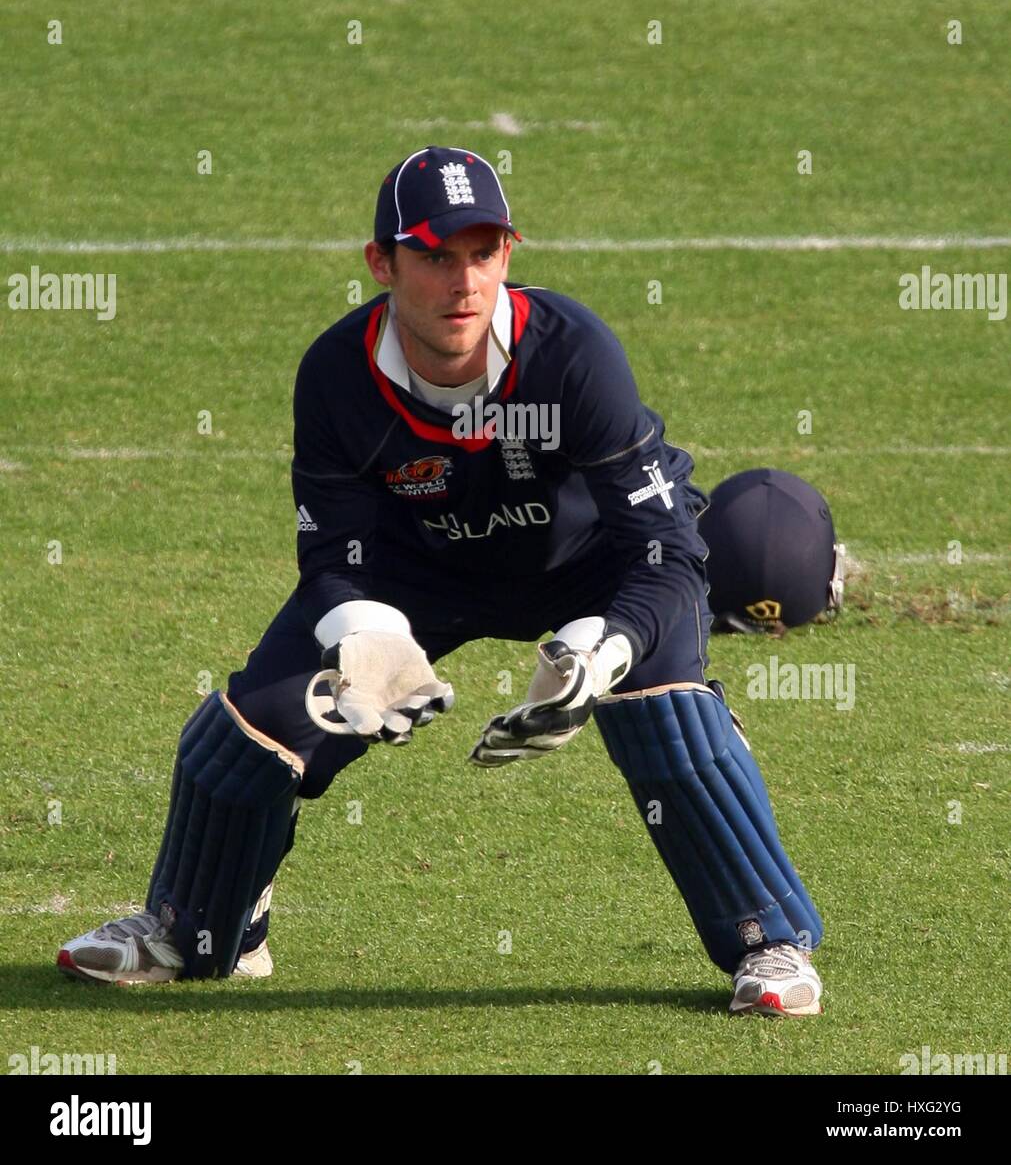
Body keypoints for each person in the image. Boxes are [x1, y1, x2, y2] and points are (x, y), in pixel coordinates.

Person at [58, 146, 824, 1016]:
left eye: (482, 252)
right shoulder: (337, 375)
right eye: (432, 256)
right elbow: (333, 561)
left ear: (508, 252)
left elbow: (667, 550)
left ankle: (769, 946)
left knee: (665, 713)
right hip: (419, 570)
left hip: (595, 565)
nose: (462, 282)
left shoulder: (571, 354)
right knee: (260, 728)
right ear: (380, 264)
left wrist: (604, 648)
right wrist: (367, 634)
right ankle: (201, 928)